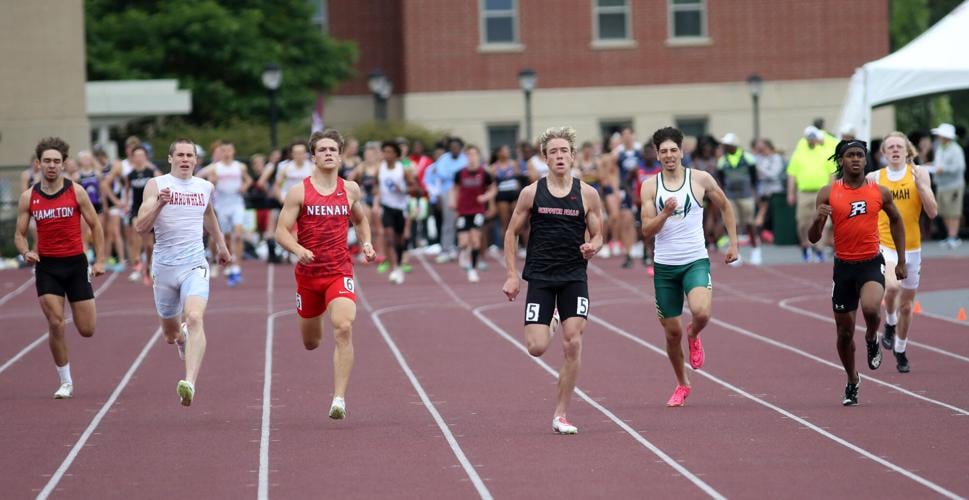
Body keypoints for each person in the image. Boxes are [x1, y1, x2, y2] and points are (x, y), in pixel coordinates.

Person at [502, 126, 604, 435]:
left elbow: (598, 233)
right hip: (541, 277)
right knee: (536, 347)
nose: (559, 156)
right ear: (545, 159)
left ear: (573, 156)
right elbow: (511, 233)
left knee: (573, 342)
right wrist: (511, 274)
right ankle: (554, 316)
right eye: (552, 152)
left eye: (563, 151)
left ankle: (561, 414)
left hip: (574, 275)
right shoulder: (532, 192)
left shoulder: (587, 193)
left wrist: (593, 246)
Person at [275, 129, 376, 419]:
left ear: (341, 155)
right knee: (311, 342)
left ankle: (339, 399)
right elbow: (280, 231)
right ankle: (316, 312)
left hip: (339, 270)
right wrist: (297, 249)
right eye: (322, 150)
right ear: (314, 156)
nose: (328, 153)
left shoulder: (350, 189)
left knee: (344, 327)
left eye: (333, 149)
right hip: (308, 276)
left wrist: (366, 243)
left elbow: (361, 220)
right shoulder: (299, 192)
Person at [639, 127, 739, 408]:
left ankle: (694, 334)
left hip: (695, 259)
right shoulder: (650, 186)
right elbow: (647, 229)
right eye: (663, 151)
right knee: (672, 334)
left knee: (701, 311)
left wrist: (733, 244)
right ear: (657, 155)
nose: (669, 155)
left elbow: (725, 206)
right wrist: (665, 213)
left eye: (674, 150)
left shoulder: (700, 179)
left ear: (681, 152)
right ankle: (682, 383)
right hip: (665, 267)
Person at [809, 139, 906, 406]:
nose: (855, 159)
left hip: (871, 262)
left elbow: (897, 221)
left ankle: (872, 336)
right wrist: (818, 219)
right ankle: (852, 379)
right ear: (841, 160)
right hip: (843, 268)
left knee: (872, 309)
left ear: (865, 160)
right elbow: (814, 238)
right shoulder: (828, 193)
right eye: (850, 155)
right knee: (843, 333)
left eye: (859, 155)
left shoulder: (880, 192)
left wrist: (900, 260)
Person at [136, 138, 231, 407]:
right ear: (170, 159)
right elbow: (140, 227)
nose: (185, 159)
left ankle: (188, 382)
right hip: (165, 268)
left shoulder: (205, 186)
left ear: (196, 160)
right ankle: (181, 338)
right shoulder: (156, 185)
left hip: (194, 264)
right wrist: (158, 205)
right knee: (170, 335)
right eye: (180, 155)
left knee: (195, 315)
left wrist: (221, 245)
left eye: (190, 155)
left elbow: (209, 214)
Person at [14, 137, 106, 399]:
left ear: (64, 165)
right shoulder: (28, 197)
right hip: (47, 266)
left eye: (56, 161)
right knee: (56, 322)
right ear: (38, 164)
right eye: (47, 161)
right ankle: (65, 381)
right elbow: (20, 234)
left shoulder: (76, 191)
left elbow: (95, 226)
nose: (52, 165)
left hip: (76, 264)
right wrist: (25, 251)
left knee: (87, 329)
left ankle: (84, 297)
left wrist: (99, 260)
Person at [869, 132, 937, 373]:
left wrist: (922, 188)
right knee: (892, 287)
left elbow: (932, 212)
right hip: (885, 244)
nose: (895, 150)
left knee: (907, 306)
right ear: (884, 153)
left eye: (899, 146)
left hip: (912, 247)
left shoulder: (919, 173)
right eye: (890, 147)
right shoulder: (874, 178)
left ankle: (900, 347)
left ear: (908, 151)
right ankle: (889, 321)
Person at [199, 141, 252, 286]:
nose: (227, 153)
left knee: (239, 235)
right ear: (221, 153)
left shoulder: (240, 167)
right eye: (224, 151)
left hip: (237, 204)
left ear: (233, 151)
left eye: (230, 150)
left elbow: (249, 180)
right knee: (226, 238)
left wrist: (244, 186)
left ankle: (238, 268)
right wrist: (212, 182)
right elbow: (199, 177)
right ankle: (229, 267)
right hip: (222, 206)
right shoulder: (215, 168)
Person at [787, 126, 837, 262]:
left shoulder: (825, 152)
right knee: (802, 222)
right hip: (803, 192)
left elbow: (831, 174)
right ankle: (805, 245)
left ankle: (819, 249)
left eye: (813, 138)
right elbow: (792, 174)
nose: (811, 140)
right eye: (809, 138)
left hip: (821, 191)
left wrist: (831, 191)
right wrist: (790, 193)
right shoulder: (799, 153)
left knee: (823, 220)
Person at [373, 141, 419, 285]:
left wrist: (404, 190)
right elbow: (375, 184)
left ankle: (398, 264)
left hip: (401, 208)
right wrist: (376, 193)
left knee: (399, 240)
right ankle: (393, 268)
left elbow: (415, 188)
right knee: (389, 237)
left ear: (396, 154)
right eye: (385, 152)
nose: (387, 155)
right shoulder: (380, 169)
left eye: (390, 152)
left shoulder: (402, 170)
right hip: (387, 207)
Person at [451, 145, 496, 282]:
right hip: (463, 210)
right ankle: (464, 253)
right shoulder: (460, 173)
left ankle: (473, 269)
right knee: (463, 242)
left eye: (474, 154)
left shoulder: (484, 173)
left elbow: (493, 189)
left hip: (477, 210)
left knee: (476, 240)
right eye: (469, 154)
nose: (472, 157)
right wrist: (453, 203)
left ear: (478, 156)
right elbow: (454, 189)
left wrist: (486, 197)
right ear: (466, 157)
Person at [716, 133, 761, 265]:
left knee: (750, 223)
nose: (725, 147)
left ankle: (755, 249)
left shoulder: (747, 158)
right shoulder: (722, 161)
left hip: (746, 195)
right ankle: (736, 253)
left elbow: (754, 178)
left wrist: (754, 193)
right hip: (731, 196)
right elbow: (721, 179)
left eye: (727, 145)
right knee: (732, 225)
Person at [125, 145, 160, 284]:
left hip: (150, 210)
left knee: (149, 245)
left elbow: (163, 184)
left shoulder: (152, 171)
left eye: (141, 155)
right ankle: (136, 266)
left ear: (145, 156)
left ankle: (150, 266)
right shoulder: (130, 175)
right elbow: (126, 191)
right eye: (136, 156)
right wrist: (125, 204)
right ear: (133, 158)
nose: (139, 158)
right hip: (136, 209)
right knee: (136, 233)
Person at [929, 123, 965, 248]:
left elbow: (959, 167)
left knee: (953, 211)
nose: (938, 137)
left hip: (953, 185)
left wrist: (943, 169)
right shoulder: (940, 148)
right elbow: (938, 163)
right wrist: (932, 165)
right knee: (943, 211)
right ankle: (950, 236)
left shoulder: (956, 149)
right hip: (942, 185)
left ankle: (953, 237)